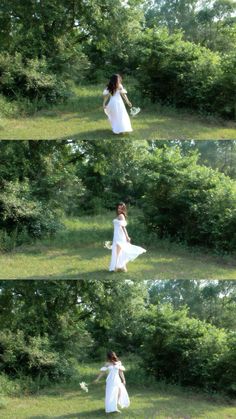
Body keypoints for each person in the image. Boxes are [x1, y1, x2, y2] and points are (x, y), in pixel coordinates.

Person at [109, 202, 146, 272]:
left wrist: (127, 236)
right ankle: (121, 267)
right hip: (117, 235)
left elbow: (123, 227)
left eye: (121, 208)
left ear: (123, 209)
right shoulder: (119, 216)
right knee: (118, 252)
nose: (119, 209)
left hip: (120, 236)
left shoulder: (121, 216)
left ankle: (116, 267)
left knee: (118, 252)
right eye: (118, 208)